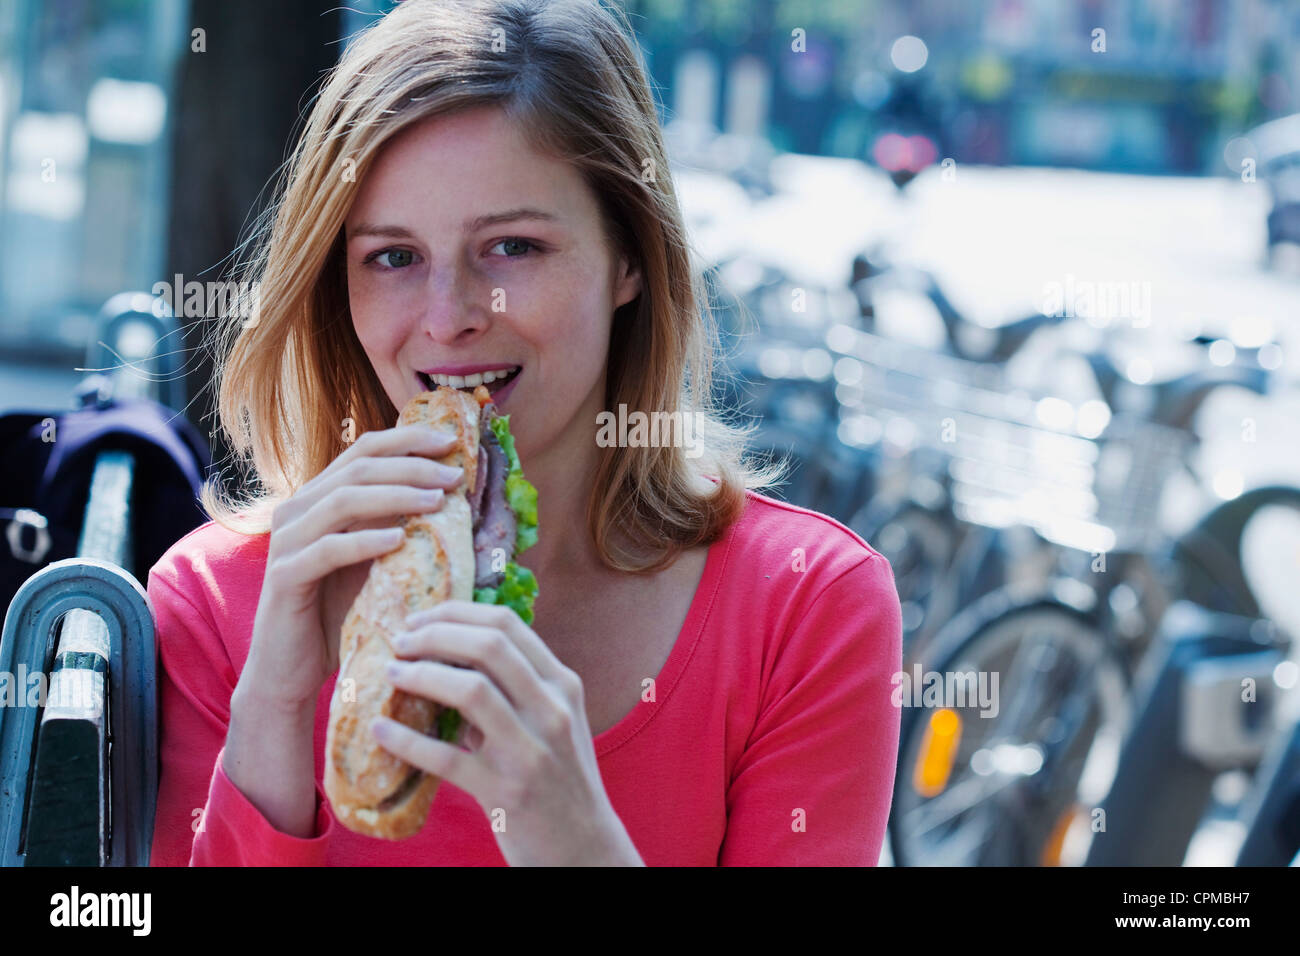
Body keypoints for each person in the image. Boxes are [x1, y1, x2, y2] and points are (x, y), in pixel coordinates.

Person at [147, 0, 902, 866]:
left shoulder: (806, 607)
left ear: (628, 258)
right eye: (392, 257)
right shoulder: (217, 603)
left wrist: (579, 842)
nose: (450, 317)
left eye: (512, 247)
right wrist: (272, 716)